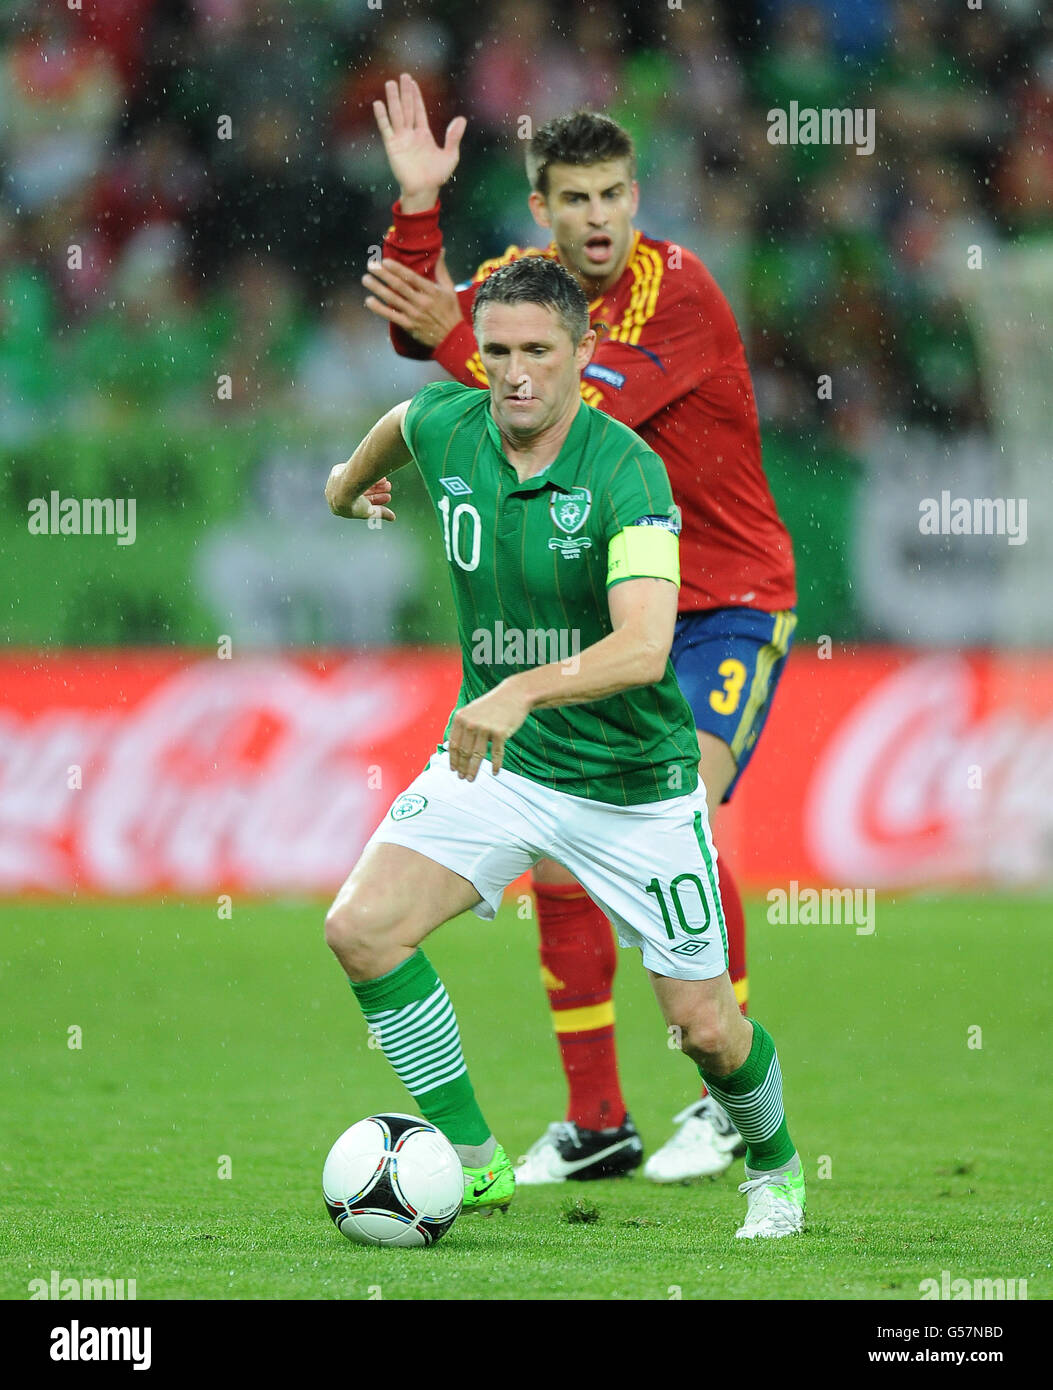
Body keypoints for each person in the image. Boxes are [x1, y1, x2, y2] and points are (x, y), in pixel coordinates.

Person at [363, 74, 797, 1184]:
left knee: (681, 807)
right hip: (593, 606)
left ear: (638, 195)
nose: (601, 219)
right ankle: (598, 1119)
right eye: (577, 199)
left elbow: (582, 405)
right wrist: (418, 209)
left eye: (617, 195)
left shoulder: (683, 292)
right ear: (542, 205)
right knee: (562, 833)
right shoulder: (533, 289)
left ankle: (715, 1096)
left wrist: (457, 331)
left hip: (722, 604)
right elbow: (432, 350)